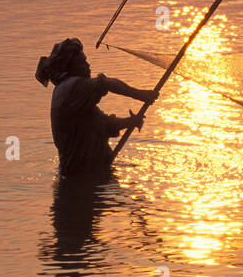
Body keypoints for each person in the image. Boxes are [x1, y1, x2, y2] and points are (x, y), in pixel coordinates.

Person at [36, 37, 156, 178]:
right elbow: (106, 84)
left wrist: (131, 122)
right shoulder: (73, 87)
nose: (88, 65)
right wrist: (141, 95)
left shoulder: (75, 96)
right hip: (83, 175)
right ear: (70, 67)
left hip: (90, 173)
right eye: (82, 62)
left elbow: (103, 124)